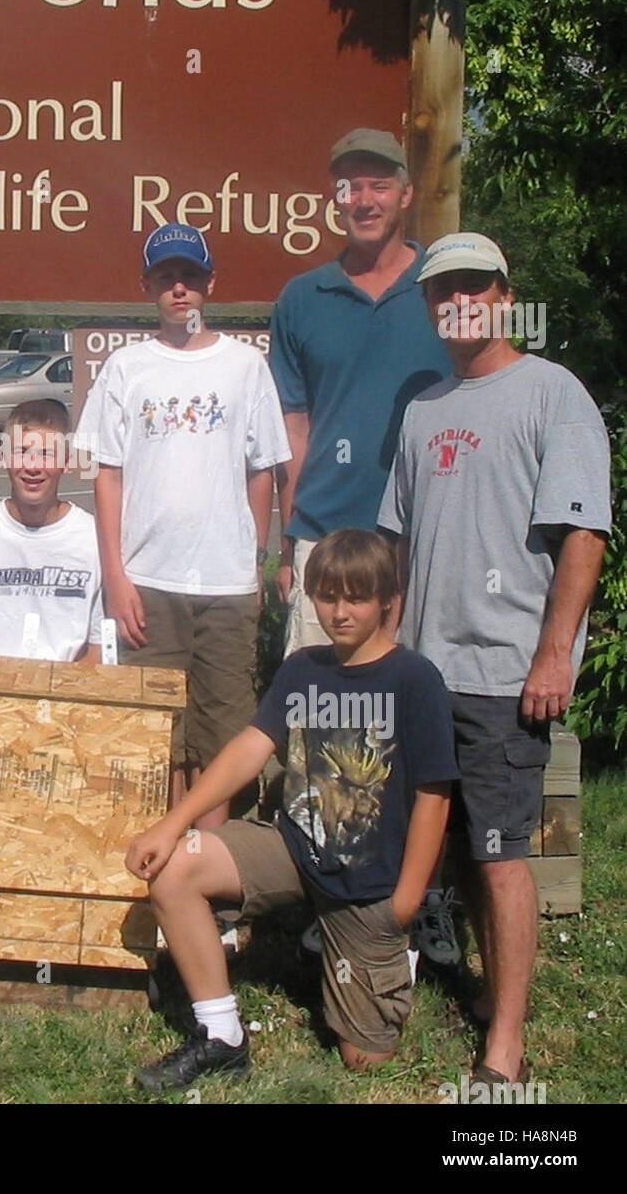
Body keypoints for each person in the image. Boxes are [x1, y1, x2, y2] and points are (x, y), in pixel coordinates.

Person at [378, 231, 610, 1090]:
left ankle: (504, 1047)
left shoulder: (553, 395)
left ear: (505, 296)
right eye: (443, 291)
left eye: (474, 286)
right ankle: (483, 992)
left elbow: (582, 536)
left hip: (506, 674)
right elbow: (397, 544)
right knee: (464, 849)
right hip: (426, 674)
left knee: (504, 853)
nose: (458, 301)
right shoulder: (424, 410)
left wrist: (555, 658)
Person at [125, 529, 457, 1091]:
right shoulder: (304, 669)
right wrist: (172, 823)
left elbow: (434, 796)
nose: (340, 611)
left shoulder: (414, 679)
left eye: (356, 598)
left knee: (363, 1059)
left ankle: (379, 955)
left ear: (386, 602)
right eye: (327, 596)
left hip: (372, 884)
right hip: (294, 848)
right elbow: (250, 748)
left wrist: (405, 901)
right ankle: (221, 1035)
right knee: (176, 866)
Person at [269, 127, 455, 966]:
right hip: (328, 545)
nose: (364, 198)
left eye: (379, 183)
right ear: (333, 199)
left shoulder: (441, 289)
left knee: (414, 736)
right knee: (324, 743)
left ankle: (424, 908)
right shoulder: (302, 298)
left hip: (420, 542)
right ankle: (327, 912)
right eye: (348, 185)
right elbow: (294, 428)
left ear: (406, 194)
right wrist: (286, 540)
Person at [78, 222, 289, 828]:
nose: (179, 289)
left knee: (222, 734)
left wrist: (252, 559)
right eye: (166, 277)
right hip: (148, 580)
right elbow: (107, 474)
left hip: (224, 584)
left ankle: (208, 878)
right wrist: (116, 575)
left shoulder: (245, 367)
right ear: (146, 286)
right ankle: (165, 873)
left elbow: (261, 472)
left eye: (190, 277)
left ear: (209, 284)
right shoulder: (126, 368)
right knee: (158, 735)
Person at [0, 398, 103, 836]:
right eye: (23, 453)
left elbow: (98, 654)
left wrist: (51, 710)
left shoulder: (95, 541)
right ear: (5, 460)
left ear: (66, 462)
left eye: (47, 454)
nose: (34, 467)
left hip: (69, 701)